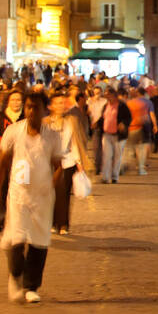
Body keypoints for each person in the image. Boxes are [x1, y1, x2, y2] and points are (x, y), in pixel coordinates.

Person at [0, 91, 63, 304]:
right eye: (28, 107)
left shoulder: (52, 135)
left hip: (42, 196)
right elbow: (2, 163)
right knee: (18, 236)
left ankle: (31, 286)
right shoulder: (13, 132)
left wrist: (52, 185)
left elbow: (59, 165)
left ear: (44, 110)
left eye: (36, 107)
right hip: (18, 194)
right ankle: (15, 275)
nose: (31, 111)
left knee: (39, 241)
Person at [48, 91, 90, 236]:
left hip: (67, 161)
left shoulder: (71, 121)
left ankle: (64, 224)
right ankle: (52, 222)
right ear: (51, 106)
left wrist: (78, 162)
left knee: (64, 194)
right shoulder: (46, 122)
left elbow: (74, 143)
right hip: (50, 163)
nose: (61, 106)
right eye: (58, 103)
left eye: (63, 103)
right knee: (51, 193)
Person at [99, 86, 131, 184]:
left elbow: (128, 117)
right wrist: (97, 123)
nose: (108, 98)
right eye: (107, 97)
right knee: (107, 156)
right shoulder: (106, 106)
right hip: (107, 134)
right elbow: (103, 118)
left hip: (118, 135)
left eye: (110, 96)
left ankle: (115, 176)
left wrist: (124, 124)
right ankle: (105, 177)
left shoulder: (121, 106)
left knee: (117, 156)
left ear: (115, 96)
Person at [126, 87, 155, 176]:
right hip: (142, 127)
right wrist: (155, 125)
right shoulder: (147, 102)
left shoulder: (129, 103)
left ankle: (123, 165)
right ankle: (141, 168)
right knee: (141, 149)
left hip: (131, 127)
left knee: (130, 148)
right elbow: (151, 114)